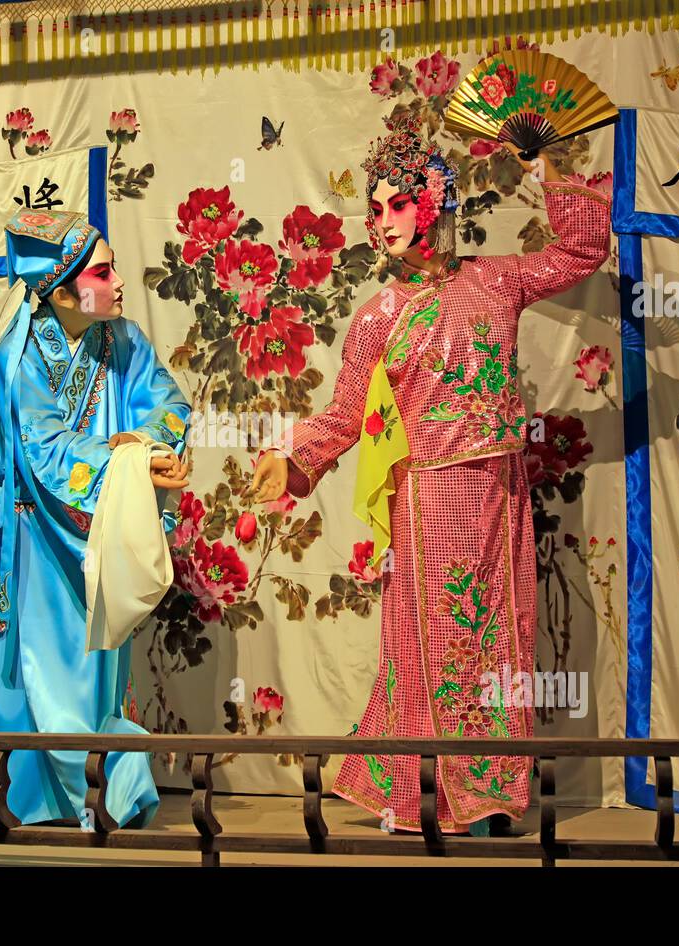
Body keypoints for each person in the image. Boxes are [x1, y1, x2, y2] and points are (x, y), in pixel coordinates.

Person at [251, 115, 611, 835]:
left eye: (396, 204)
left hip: (502, 494)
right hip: (429, 499)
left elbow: (580, 250)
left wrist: (550, 164)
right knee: (433, 644)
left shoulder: (498, 283)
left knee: (501, 638)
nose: (381, 222)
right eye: (374, 208)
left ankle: (491, 790)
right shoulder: (376, 319)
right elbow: (347, 418)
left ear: (435, 203)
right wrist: (291, 458)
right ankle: (428, 793)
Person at [0, 209, 189, 829]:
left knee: (92, 678)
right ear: (62, 292)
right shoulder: (20, 358)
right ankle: (96, 793)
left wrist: (152, 449)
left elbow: (167, 402)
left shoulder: (122, 338)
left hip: (94, 529)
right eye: (103, 272)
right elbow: (46, 453)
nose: (117, 282)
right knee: (46, 679)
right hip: (30, 533)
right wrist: (131, 465)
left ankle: (96, 795)